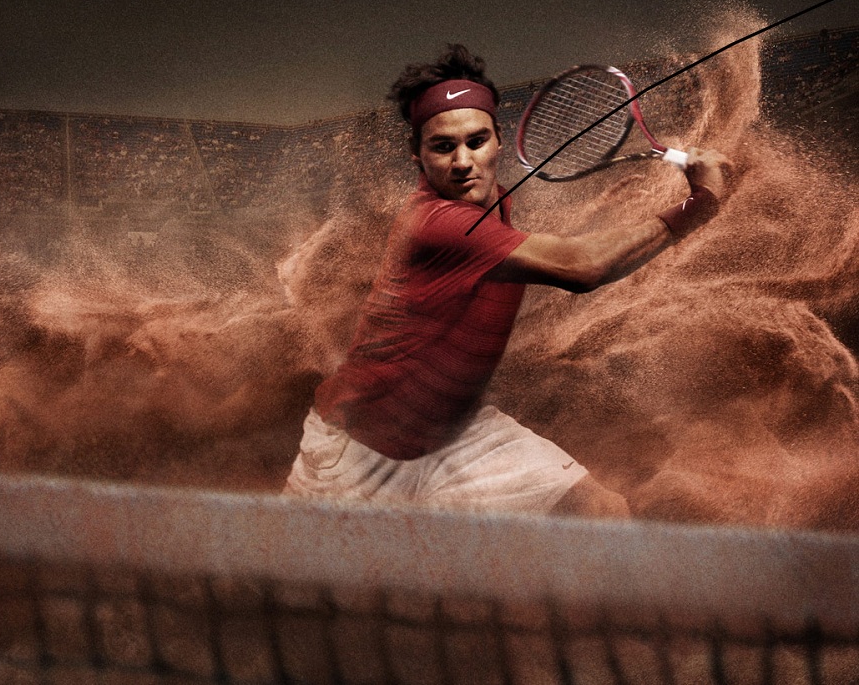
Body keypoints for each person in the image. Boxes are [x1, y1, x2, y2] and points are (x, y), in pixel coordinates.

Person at [284, 44, 726, 517]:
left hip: (457, 433)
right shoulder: (438, 223)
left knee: (598, 509)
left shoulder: (494, 202)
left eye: (475, 141)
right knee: (320, 567)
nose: (462, 161)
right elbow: (585, 266)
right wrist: (702, 202)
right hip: (357, 453)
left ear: (498, 140)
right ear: (417, 156)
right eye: (443, 146)